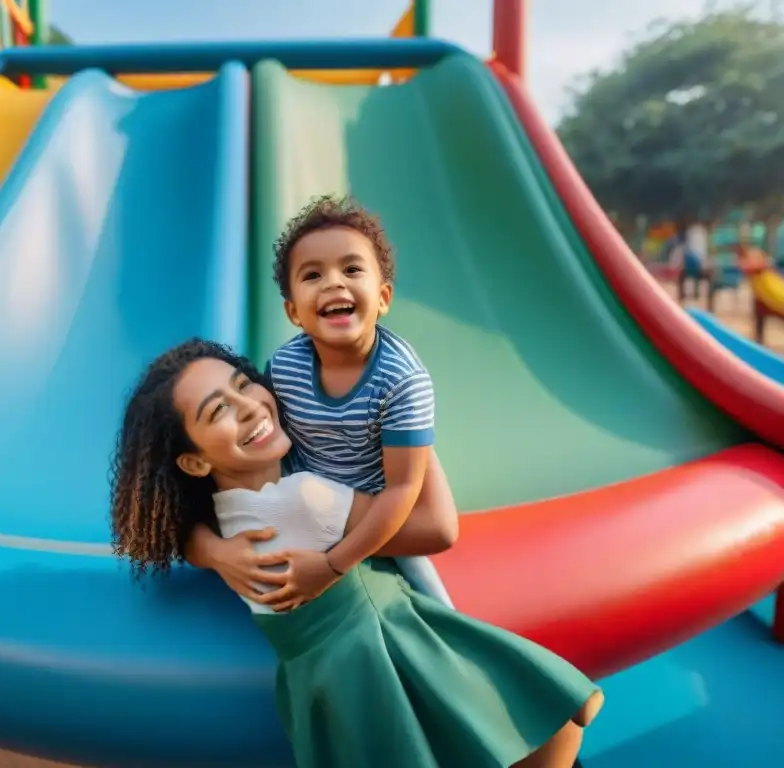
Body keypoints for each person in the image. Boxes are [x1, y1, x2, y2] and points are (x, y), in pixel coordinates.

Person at [109, 338, 603, 768]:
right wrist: (404, 423)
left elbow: (181, 536)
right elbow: (435, 527)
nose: (251, 406)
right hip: (386, 646)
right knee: (552, 722)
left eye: (244, 385)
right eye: (218, 410)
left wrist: (214, 552)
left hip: (328, 686)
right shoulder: (308, 497)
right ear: (193, 460)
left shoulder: (225, 520)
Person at [185, 194, 455, 611]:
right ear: (294, 312)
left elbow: (403, 488)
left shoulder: (402, 380)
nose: (334, 282)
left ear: (383, 297)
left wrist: (333, 564)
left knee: (426, 591)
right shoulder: (287, 366)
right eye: (313, 275)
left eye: (351, 269)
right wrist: (216, 548)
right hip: (305, 496)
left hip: (371, 507)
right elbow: (269, 436)